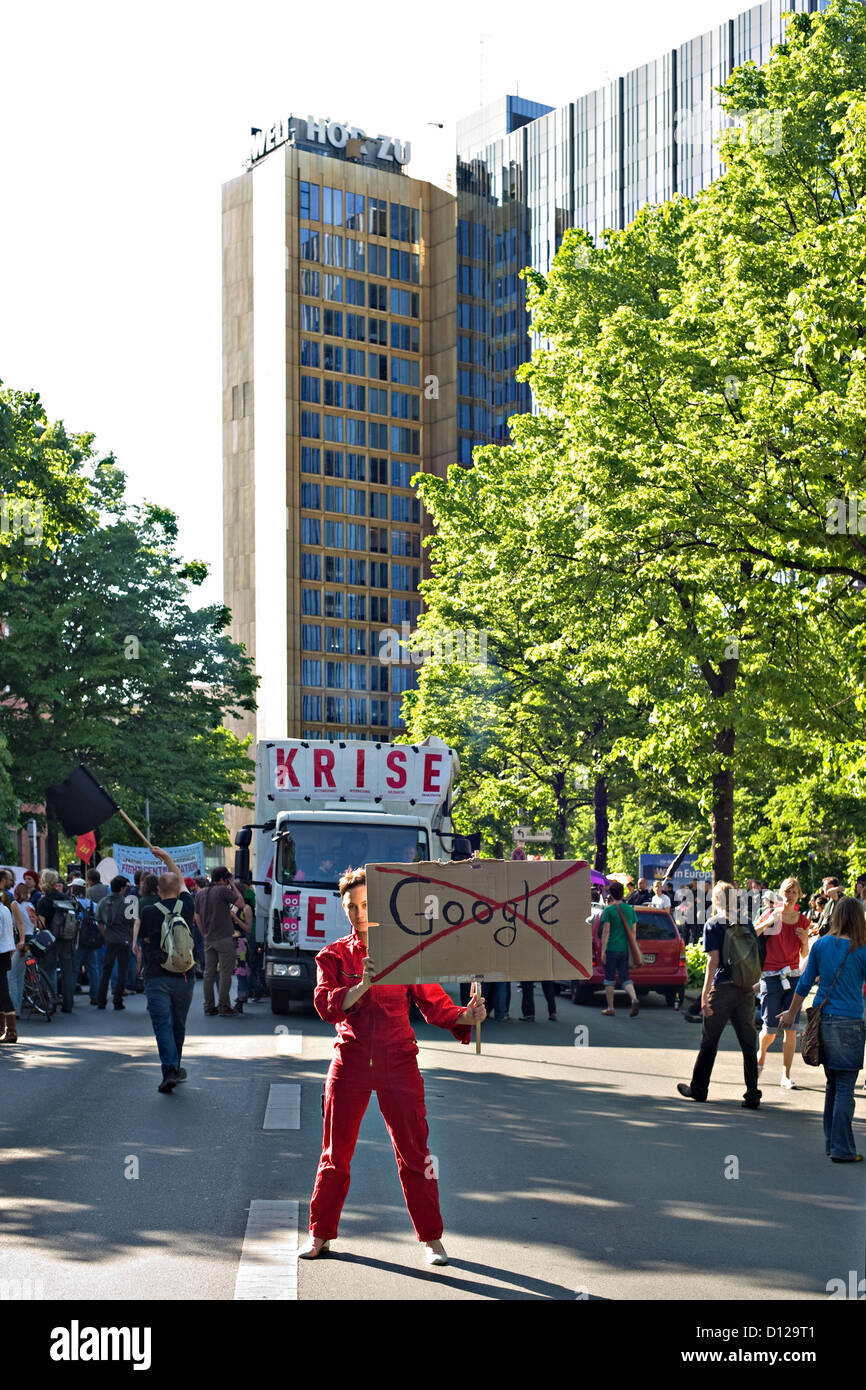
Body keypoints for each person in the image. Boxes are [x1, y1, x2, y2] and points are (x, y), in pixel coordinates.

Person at [300, 865, 486, 1265]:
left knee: (415, 1154)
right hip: (349, 1062)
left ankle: (431, 1238)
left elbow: (434, 1005)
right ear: (343, 908)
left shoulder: (404, 951)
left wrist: (467, 1017)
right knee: (335, 1155)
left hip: (399, 1061)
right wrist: (362, 985)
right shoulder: (332, 955)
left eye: (366, 904)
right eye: (351, 906)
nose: (359, 912)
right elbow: (326, 1006)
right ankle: (319, 1234)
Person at [777, 895, 866, 1161]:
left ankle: (831, 1142)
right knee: (845, 1087)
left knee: (832, 1084)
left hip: (824, 1020)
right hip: (850, 1022)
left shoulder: (822, 944)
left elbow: (804, 983)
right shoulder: (863, 948)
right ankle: (842, 1149)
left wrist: (791, 1014)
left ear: (836, 916)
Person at [677, 881, 762, 1108]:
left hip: (723, 988)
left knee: (710, 1040)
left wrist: (704, 995)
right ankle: (752, 1093)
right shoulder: (747, 922)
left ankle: (698, 1088)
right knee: (748, 1043)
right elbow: (756, 954)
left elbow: (713, 961)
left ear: (715, 900)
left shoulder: (714, 924)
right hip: (745, 989)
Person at [135, 848, 197, 1092]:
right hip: (184, 975)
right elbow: (180, 881)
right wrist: (167, 859)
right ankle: (176, 1065)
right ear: (178, 890)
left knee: (162, 1023)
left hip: (156, 976)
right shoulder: (188, 906)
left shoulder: (149, 912)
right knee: (178, 1023)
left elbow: (145, 942)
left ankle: (169, 1068)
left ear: (158, 890)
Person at [754, 877, 810, 1089]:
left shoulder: (803, 920)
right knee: (770, 1029)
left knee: (791, 1029)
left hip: (793, 976)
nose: (790, 894)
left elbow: (805, 954)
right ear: (781, 893)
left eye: (794, 891)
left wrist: (804, 940)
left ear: (799, 895)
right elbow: (753, 933)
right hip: (770, 976)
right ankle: (761, 1058)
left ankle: (786, 1075)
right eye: (787, 891)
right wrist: (768, 922)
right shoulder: (772, 913)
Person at [195, 866, 248, 1016]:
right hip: (224, 937)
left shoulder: (201, 893)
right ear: (224, 879)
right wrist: (232, 886)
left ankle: (208, 1006)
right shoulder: (223, 890)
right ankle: (224, 1006)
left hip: (208, 938)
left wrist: (203, 932)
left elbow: (197, 917)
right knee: (225, 973)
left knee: (208, 974)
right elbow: (241, 904)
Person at [598, 880, 641, 1017]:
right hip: (624, 949)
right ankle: (634, 998)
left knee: (609, 978)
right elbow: (633, 931)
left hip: (612, 948)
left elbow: (606, 931)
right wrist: (632, 946)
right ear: (623, 893)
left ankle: (610, 1007)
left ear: (610, 894)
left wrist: (603, 950)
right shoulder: (630, 910)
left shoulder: (609, 910)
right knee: (624, 977)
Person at [96, 876, 135, 1010]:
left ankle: (101, 1000)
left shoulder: (102, 902)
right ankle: (118, 1001)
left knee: (106, 970)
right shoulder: (128, 903)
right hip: (123, 939)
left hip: (110, 938)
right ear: (123, 888)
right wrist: (131, 939)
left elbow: (99, 922)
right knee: (122, 970)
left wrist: (105, 935)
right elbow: (131, 925)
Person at [8, 881, 38, 1015]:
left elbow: (20, 923)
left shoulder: (14, 905)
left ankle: (14, 1008)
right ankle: (17, 1008)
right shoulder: (30, 906)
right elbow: (33, 923)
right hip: (31, 939)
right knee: (20, 975)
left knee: (11, 975)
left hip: (23, 941)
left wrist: (21, 941)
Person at [0, 892, 19, 1043]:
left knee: (3, 992)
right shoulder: (5, 909)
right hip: (5, 952)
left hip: (0, 952)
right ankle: (3, 1028)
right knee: (1, 990)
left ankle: (11, 1031)